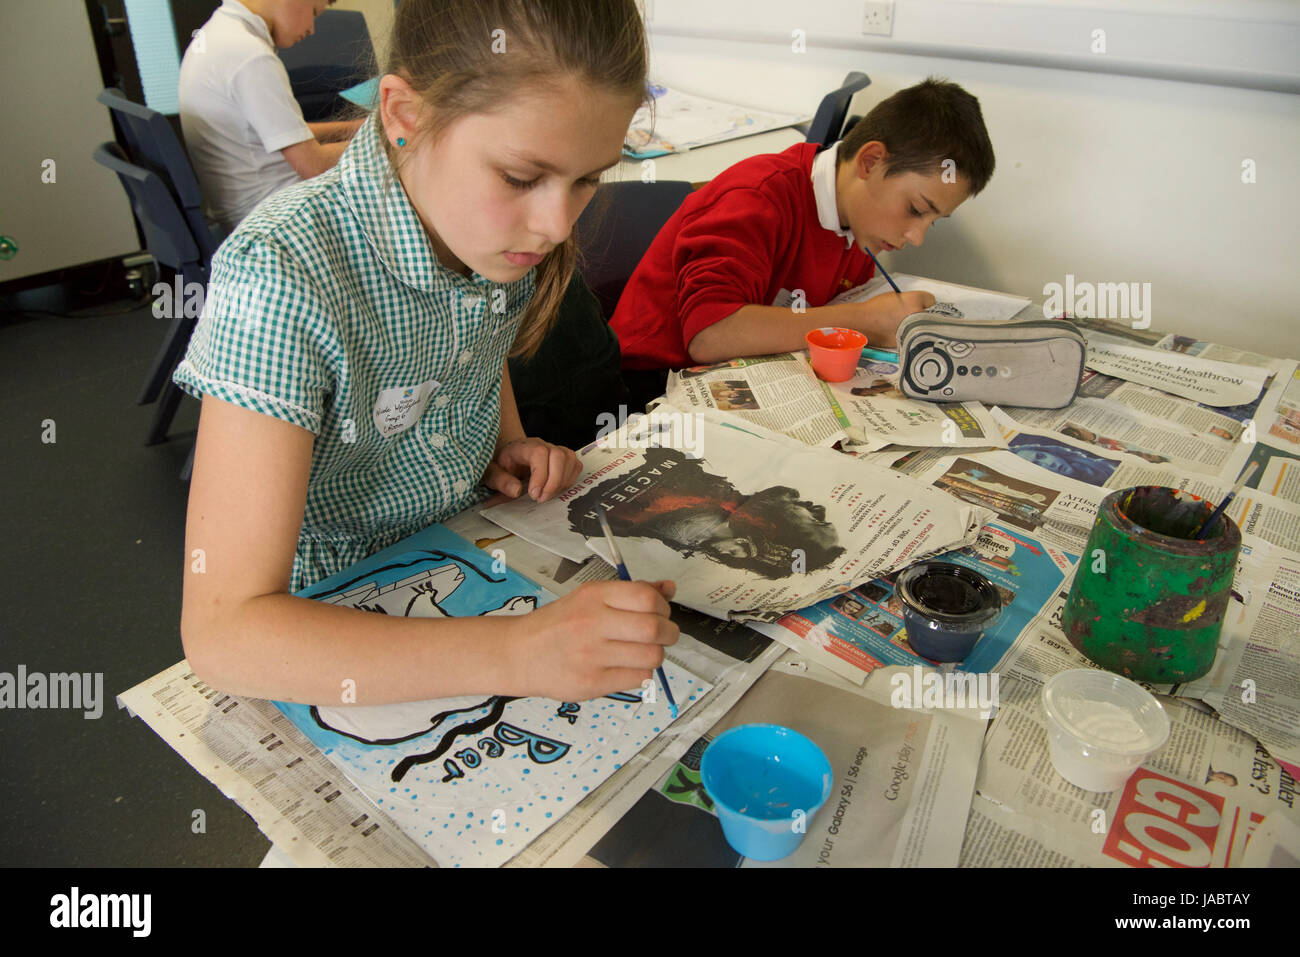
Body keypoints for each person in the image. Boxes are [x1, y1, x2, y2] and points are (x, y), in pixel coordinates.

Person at [173, 0, 678, 707]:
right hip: (324, 631)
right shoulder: (279, 275)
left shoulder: (484, 229)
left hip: (462, 558)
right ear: (405, 115)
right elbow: (226, 635)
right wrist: (522, 652)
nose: (557, 224)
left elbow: (476, 341)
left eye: (588, 178)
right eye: (520, 177)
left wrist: (506, 440)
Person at [611, 78, 996, 404]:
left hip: (744, 374)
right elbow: (710, 335)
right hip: (648, 388)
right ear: (870, 162)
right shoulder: (756, 197)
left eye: (934, 221)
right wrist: (867, 320)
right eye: (915, 208)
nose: (916, 236)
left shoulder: (859, 222)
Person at [179, 0, 364, 233]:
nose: (311, 29)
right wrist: (387, 140)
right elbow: (313, 164)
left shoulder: (218, 34)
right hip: (273, 218)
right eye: (314, 13)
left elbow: (278, 134)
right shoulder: (250, 55)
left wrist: (355, 127)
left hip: (242, 210)